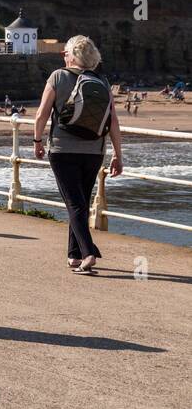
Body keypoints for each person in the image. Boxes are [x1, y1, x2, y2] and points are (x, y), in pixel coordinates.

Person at [32, 35, 123, 275]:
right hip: (94, 151)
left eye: (66, 52)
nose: (63, 55)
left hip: (63, 150)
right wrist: (117, 154)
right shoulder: (101, 80)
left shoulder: (58, 76)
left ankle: (87, 253)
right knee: (80, 201)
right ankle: (73, 255)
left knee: (75, 203)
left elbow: (41, 114)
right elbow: (113, 120)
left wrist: (37, 140)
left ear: (73, 56)